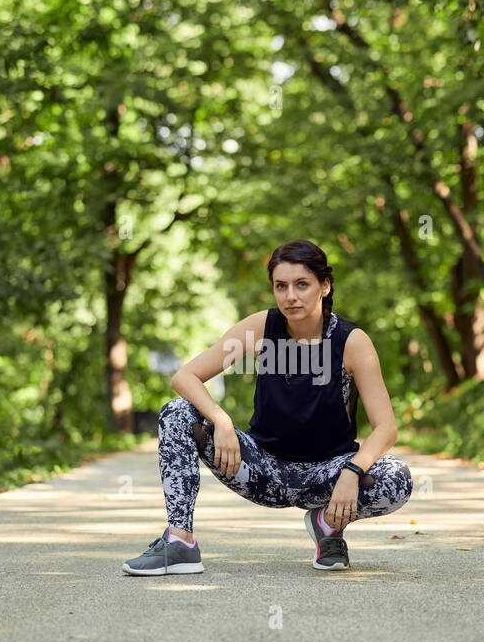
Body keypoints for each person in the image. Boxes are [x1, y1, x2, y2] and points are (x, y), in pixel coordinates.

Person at [122, 239, 414, 574]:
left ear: (325, 286)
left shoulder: (352, 342)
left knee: (396, 477)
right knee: (176, 412)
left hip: (328, 475)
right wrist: (221, 420)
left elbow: (386, 428)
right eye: (281, 286)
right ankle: (180, 541)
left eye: (302, 284)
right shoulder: (261, 328)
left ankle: (328, 524)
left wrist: (353, 471)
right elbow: (185, 377)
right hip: (262, 469)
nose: (291, 296)